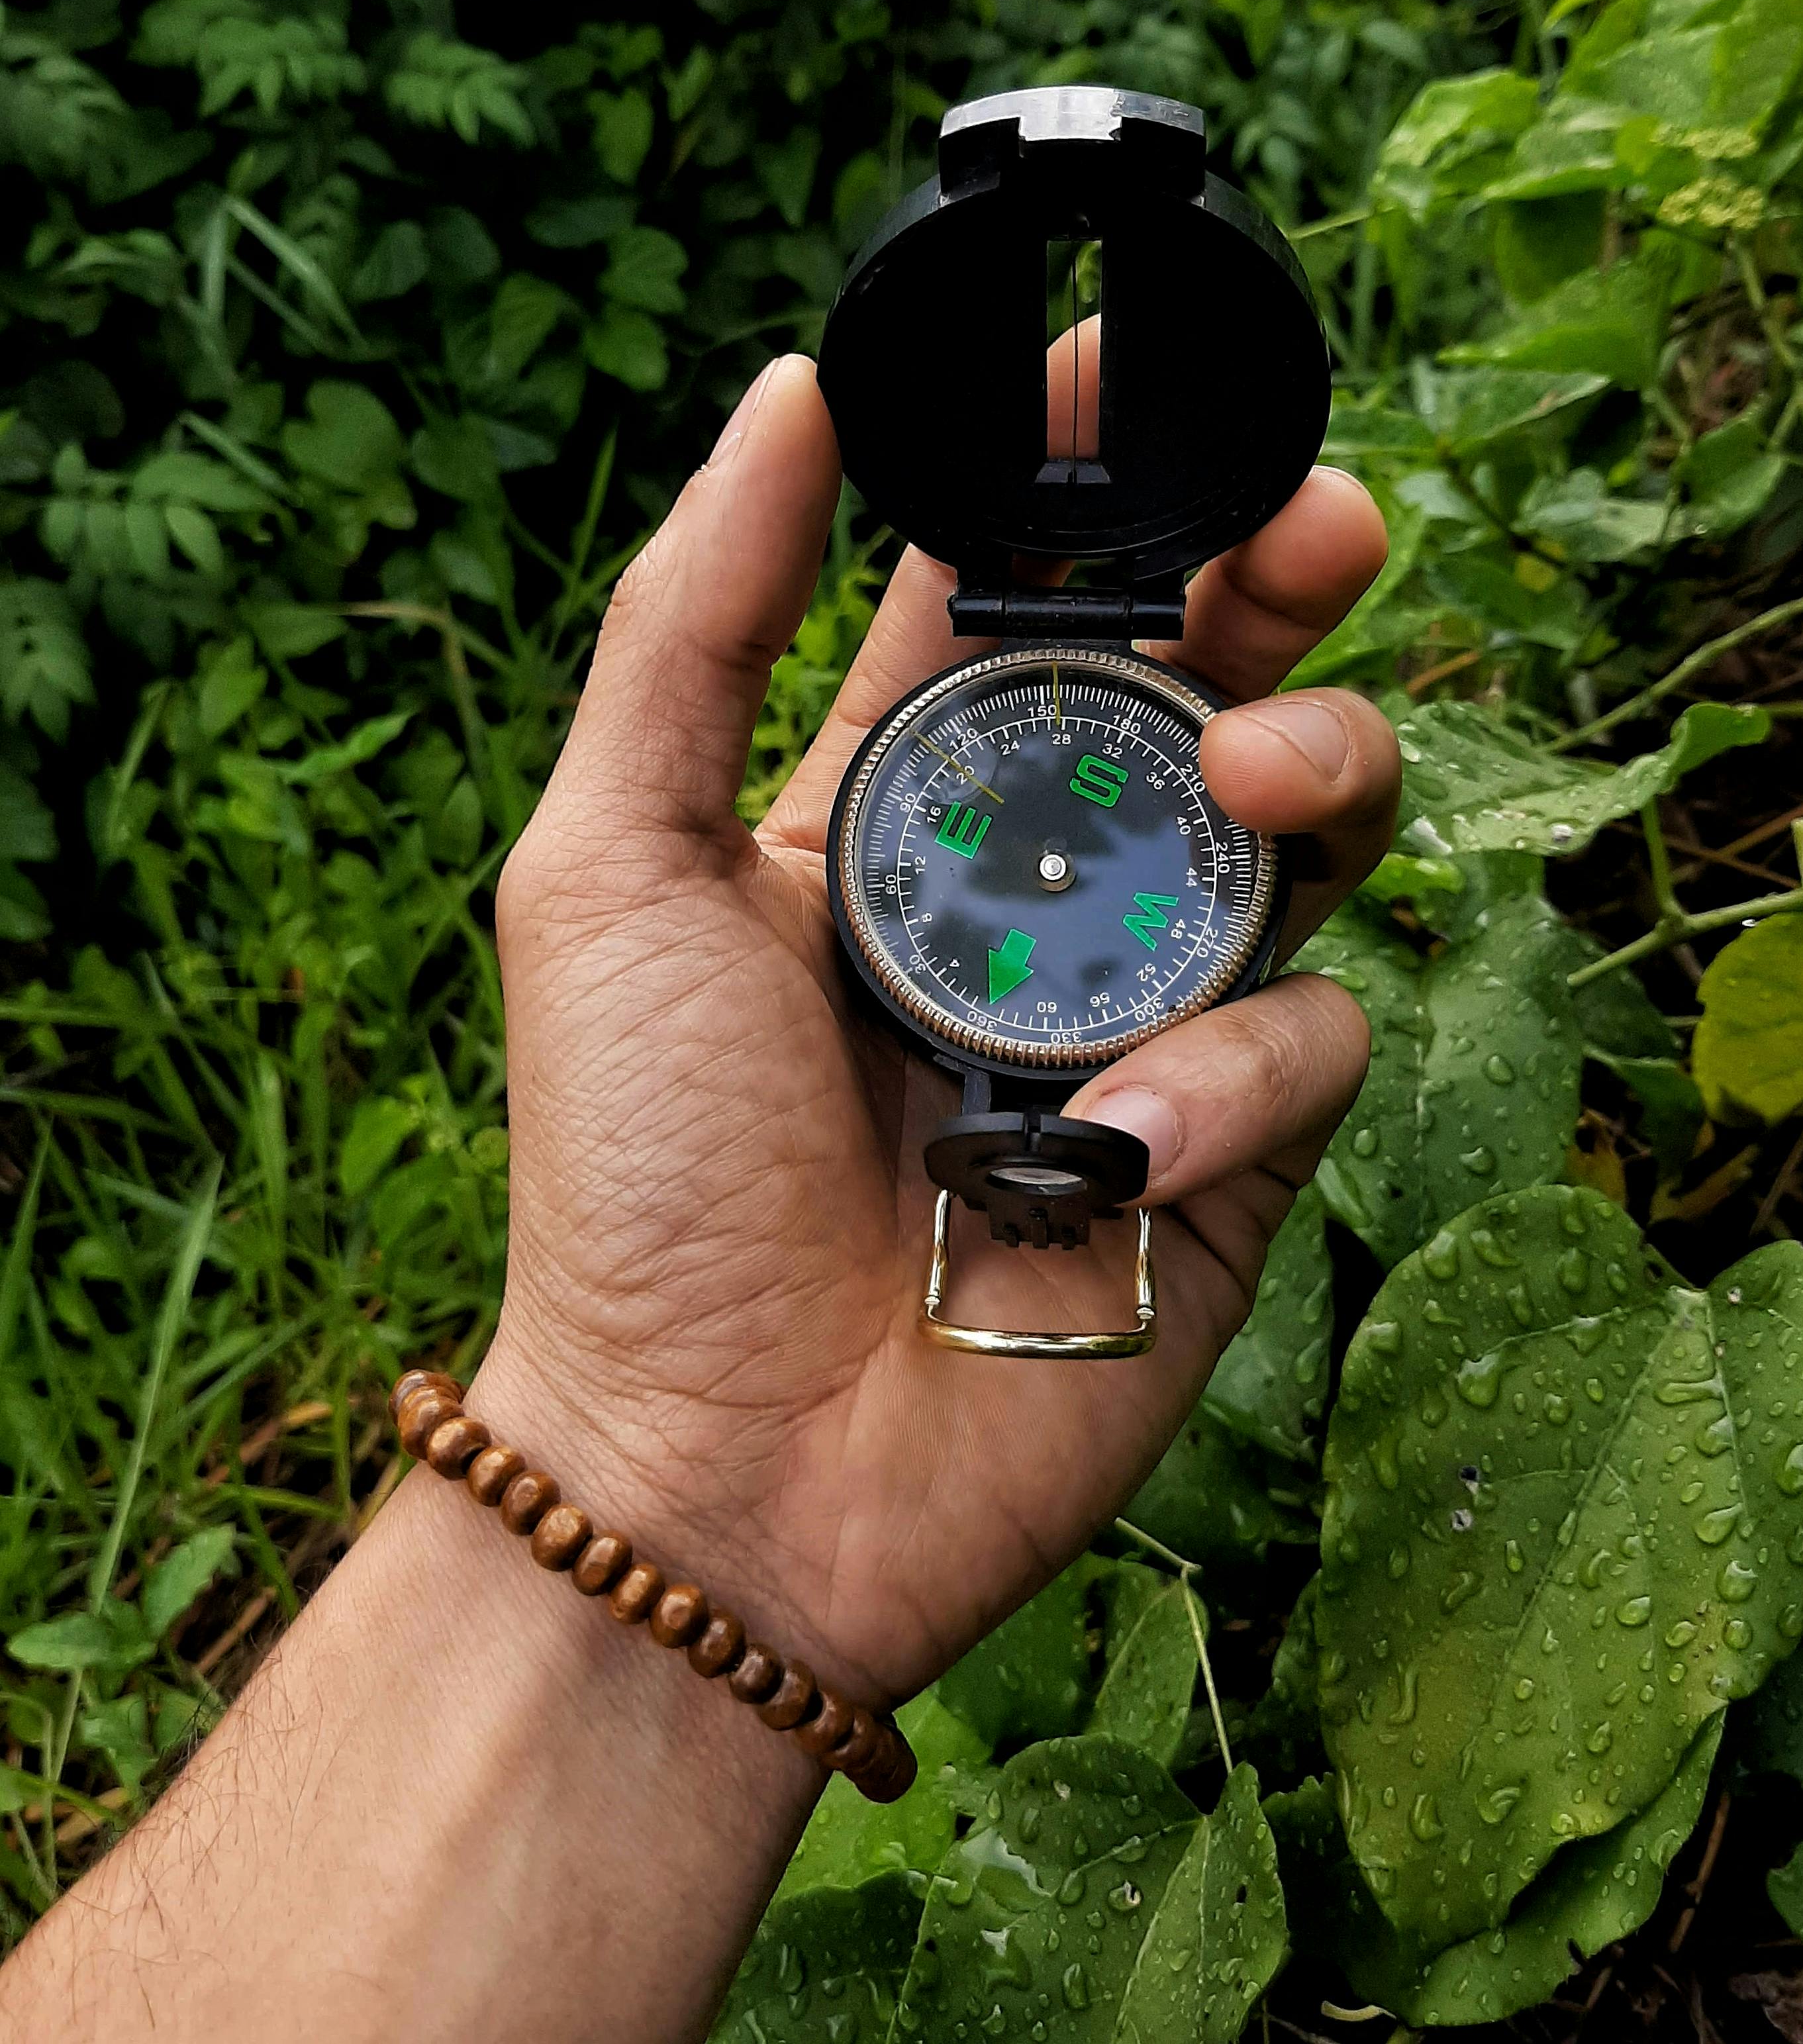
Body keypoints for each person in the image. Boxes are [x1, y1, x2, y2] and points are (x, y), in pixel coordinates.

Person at [2, 354, 1398, 2039]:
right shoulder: (943, 883)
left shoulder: (1029, 817)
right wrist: (651, 1471)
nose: (1043, 880)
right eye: (1011, 864)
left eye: (1078, 861)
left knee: (1258, 790)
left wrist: (669, 1506)